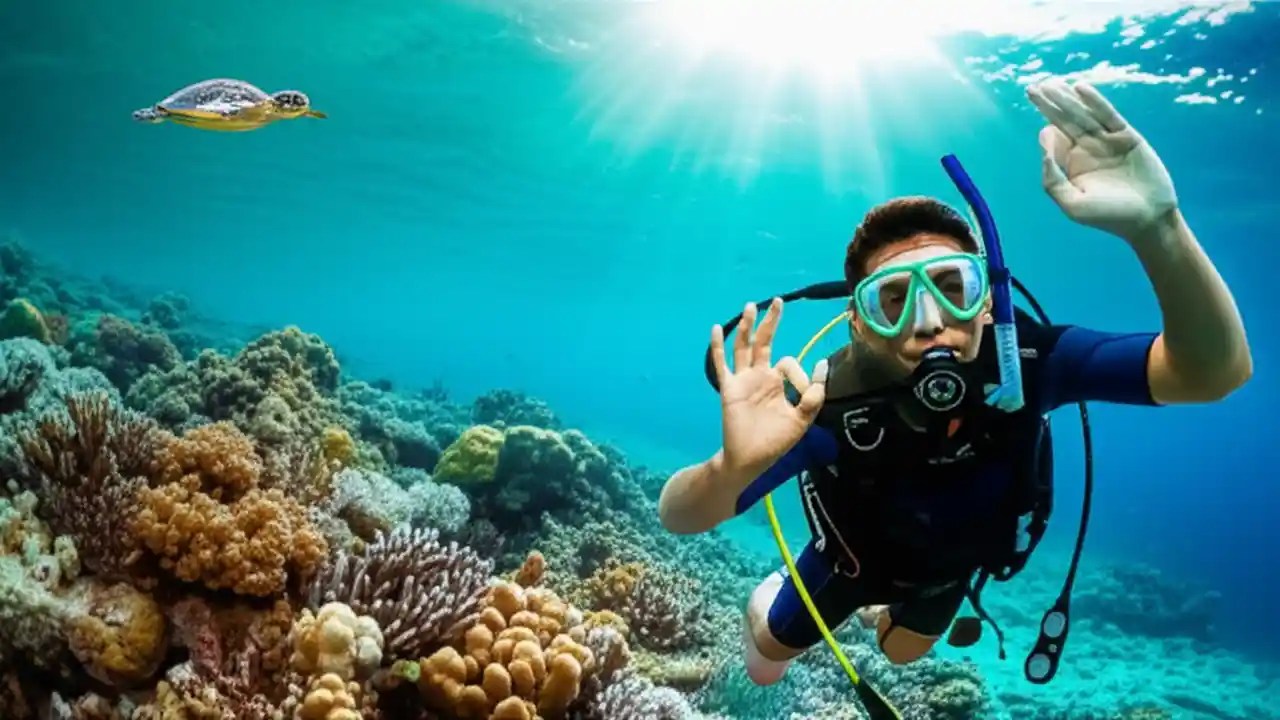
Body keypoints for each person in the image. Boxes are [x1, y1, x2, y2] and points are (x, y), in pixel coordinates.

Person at [657, 77, 1252, 686]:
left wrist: (1161, 227)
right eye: (894, 299)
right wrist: (730, 471)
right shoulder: (826, 406)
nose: (931, 322)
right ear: (860, 324)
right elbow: (680, 516)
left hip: (951, 571)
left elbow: (1212, 372)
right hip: (851, 568)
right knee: (765, 666)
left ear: (989, 302)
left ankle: (889, 620)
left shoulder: (1031, 361)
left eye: (952, 287)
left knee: (903, 654)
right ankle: (780, 596)